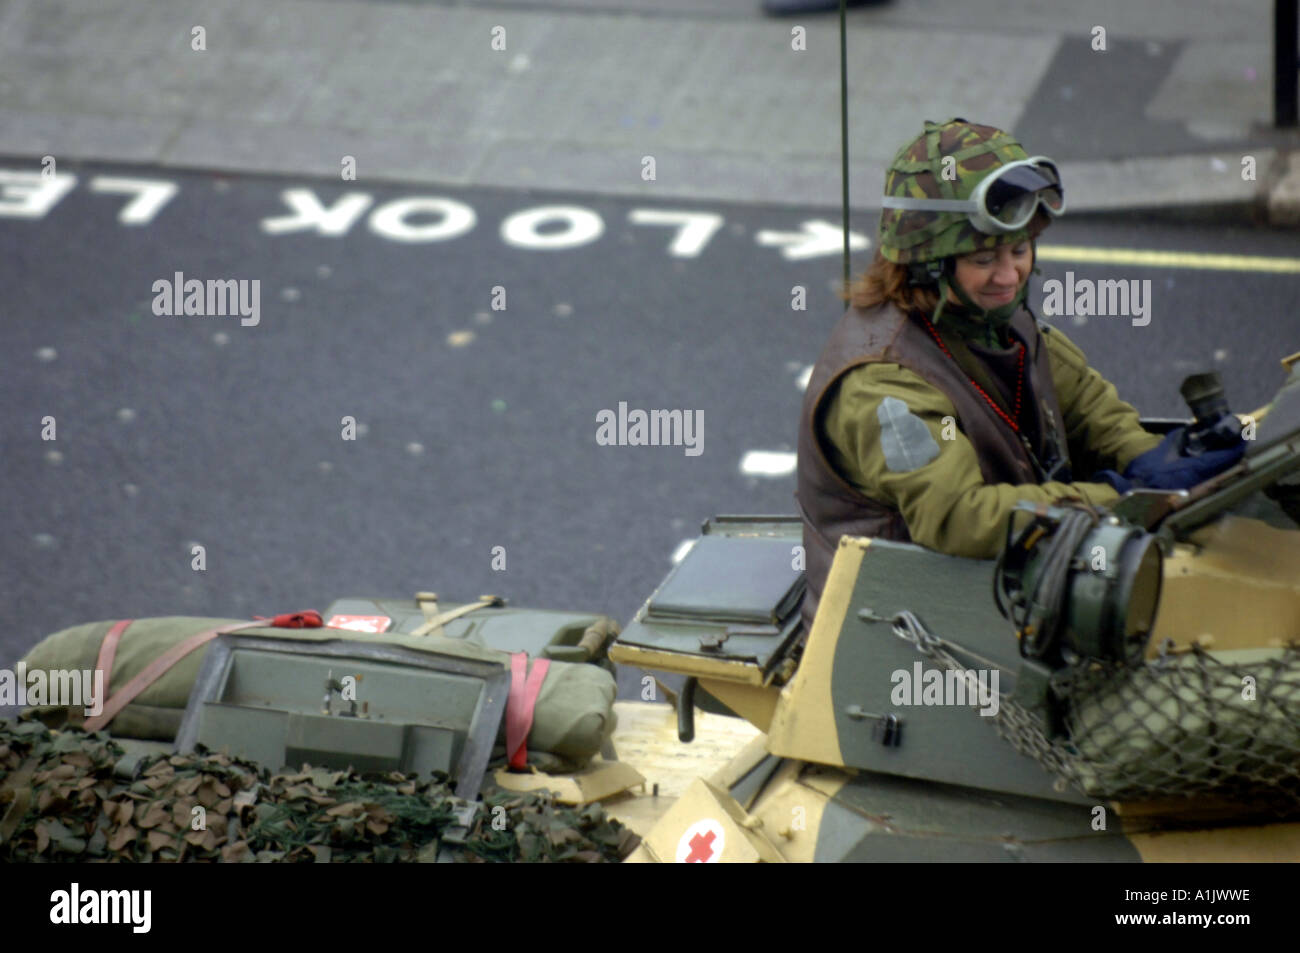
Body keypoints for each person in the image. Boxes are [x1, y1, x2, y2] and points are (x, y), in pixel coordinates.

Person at [794, 118, 1245, 630]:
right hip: (900, 635)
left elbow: (1095, 412)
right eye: (984, 258)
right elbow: (961, 518)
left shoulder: (993, 324)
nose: (1008, 276)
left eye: (1019, 250)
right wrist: (1121, 500)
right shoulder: (882, 384)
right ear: (927, 265)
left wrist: (1162, 461)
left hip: (1001, 595)